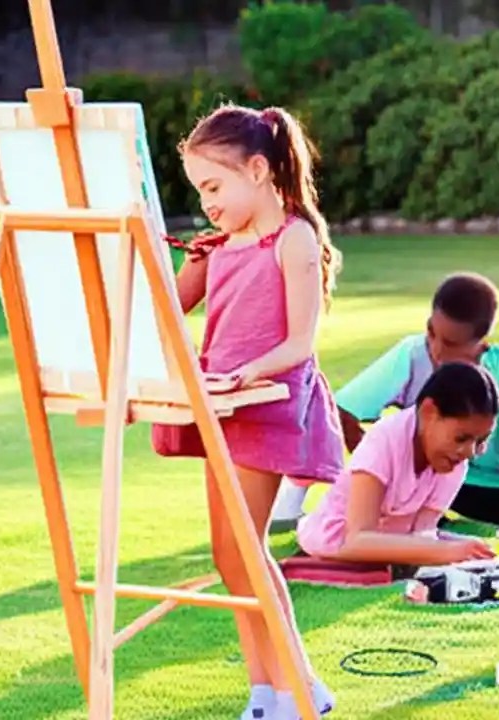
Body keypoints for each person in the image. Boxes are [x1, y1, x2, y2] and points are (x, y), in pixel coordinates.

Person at [156, 103, 346, 719]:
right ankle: (267, 692)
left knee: (248, 547)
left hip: (267, 404)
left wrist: (248, 373)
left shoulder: (294, 237)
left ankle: (301, 686)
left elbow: (300, 342)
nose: (206, 203)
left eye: (214, 186)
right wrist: (188, 266)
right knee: (228, 554)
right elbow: (163, 309)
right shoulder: (220, 245)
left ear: (259, 169)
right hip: (225, 407)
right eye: (199, 190)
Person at [269, 272, 499, 531]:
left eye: (454, 344)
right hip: (419, 485)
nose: (438, 350)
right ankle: (291, 501)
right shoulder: (413, 354)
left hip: (485, 489)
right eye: (433, 334)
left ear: (482, 344)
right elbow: (341, 410)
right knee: (312, 407)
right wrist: (384, 470)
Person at [295, 362, 499, 566]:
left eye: (481, 441)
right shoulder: (384, 440)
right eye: (461, 438)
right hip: (339, 537)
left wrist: (452, 550)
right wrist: (444, 551)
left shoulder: (454, 460)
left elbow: (423, 533)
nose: (470, 452)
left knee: (476, 549)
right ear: (429, 412)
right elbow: (356, 539)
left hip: (396, 538)